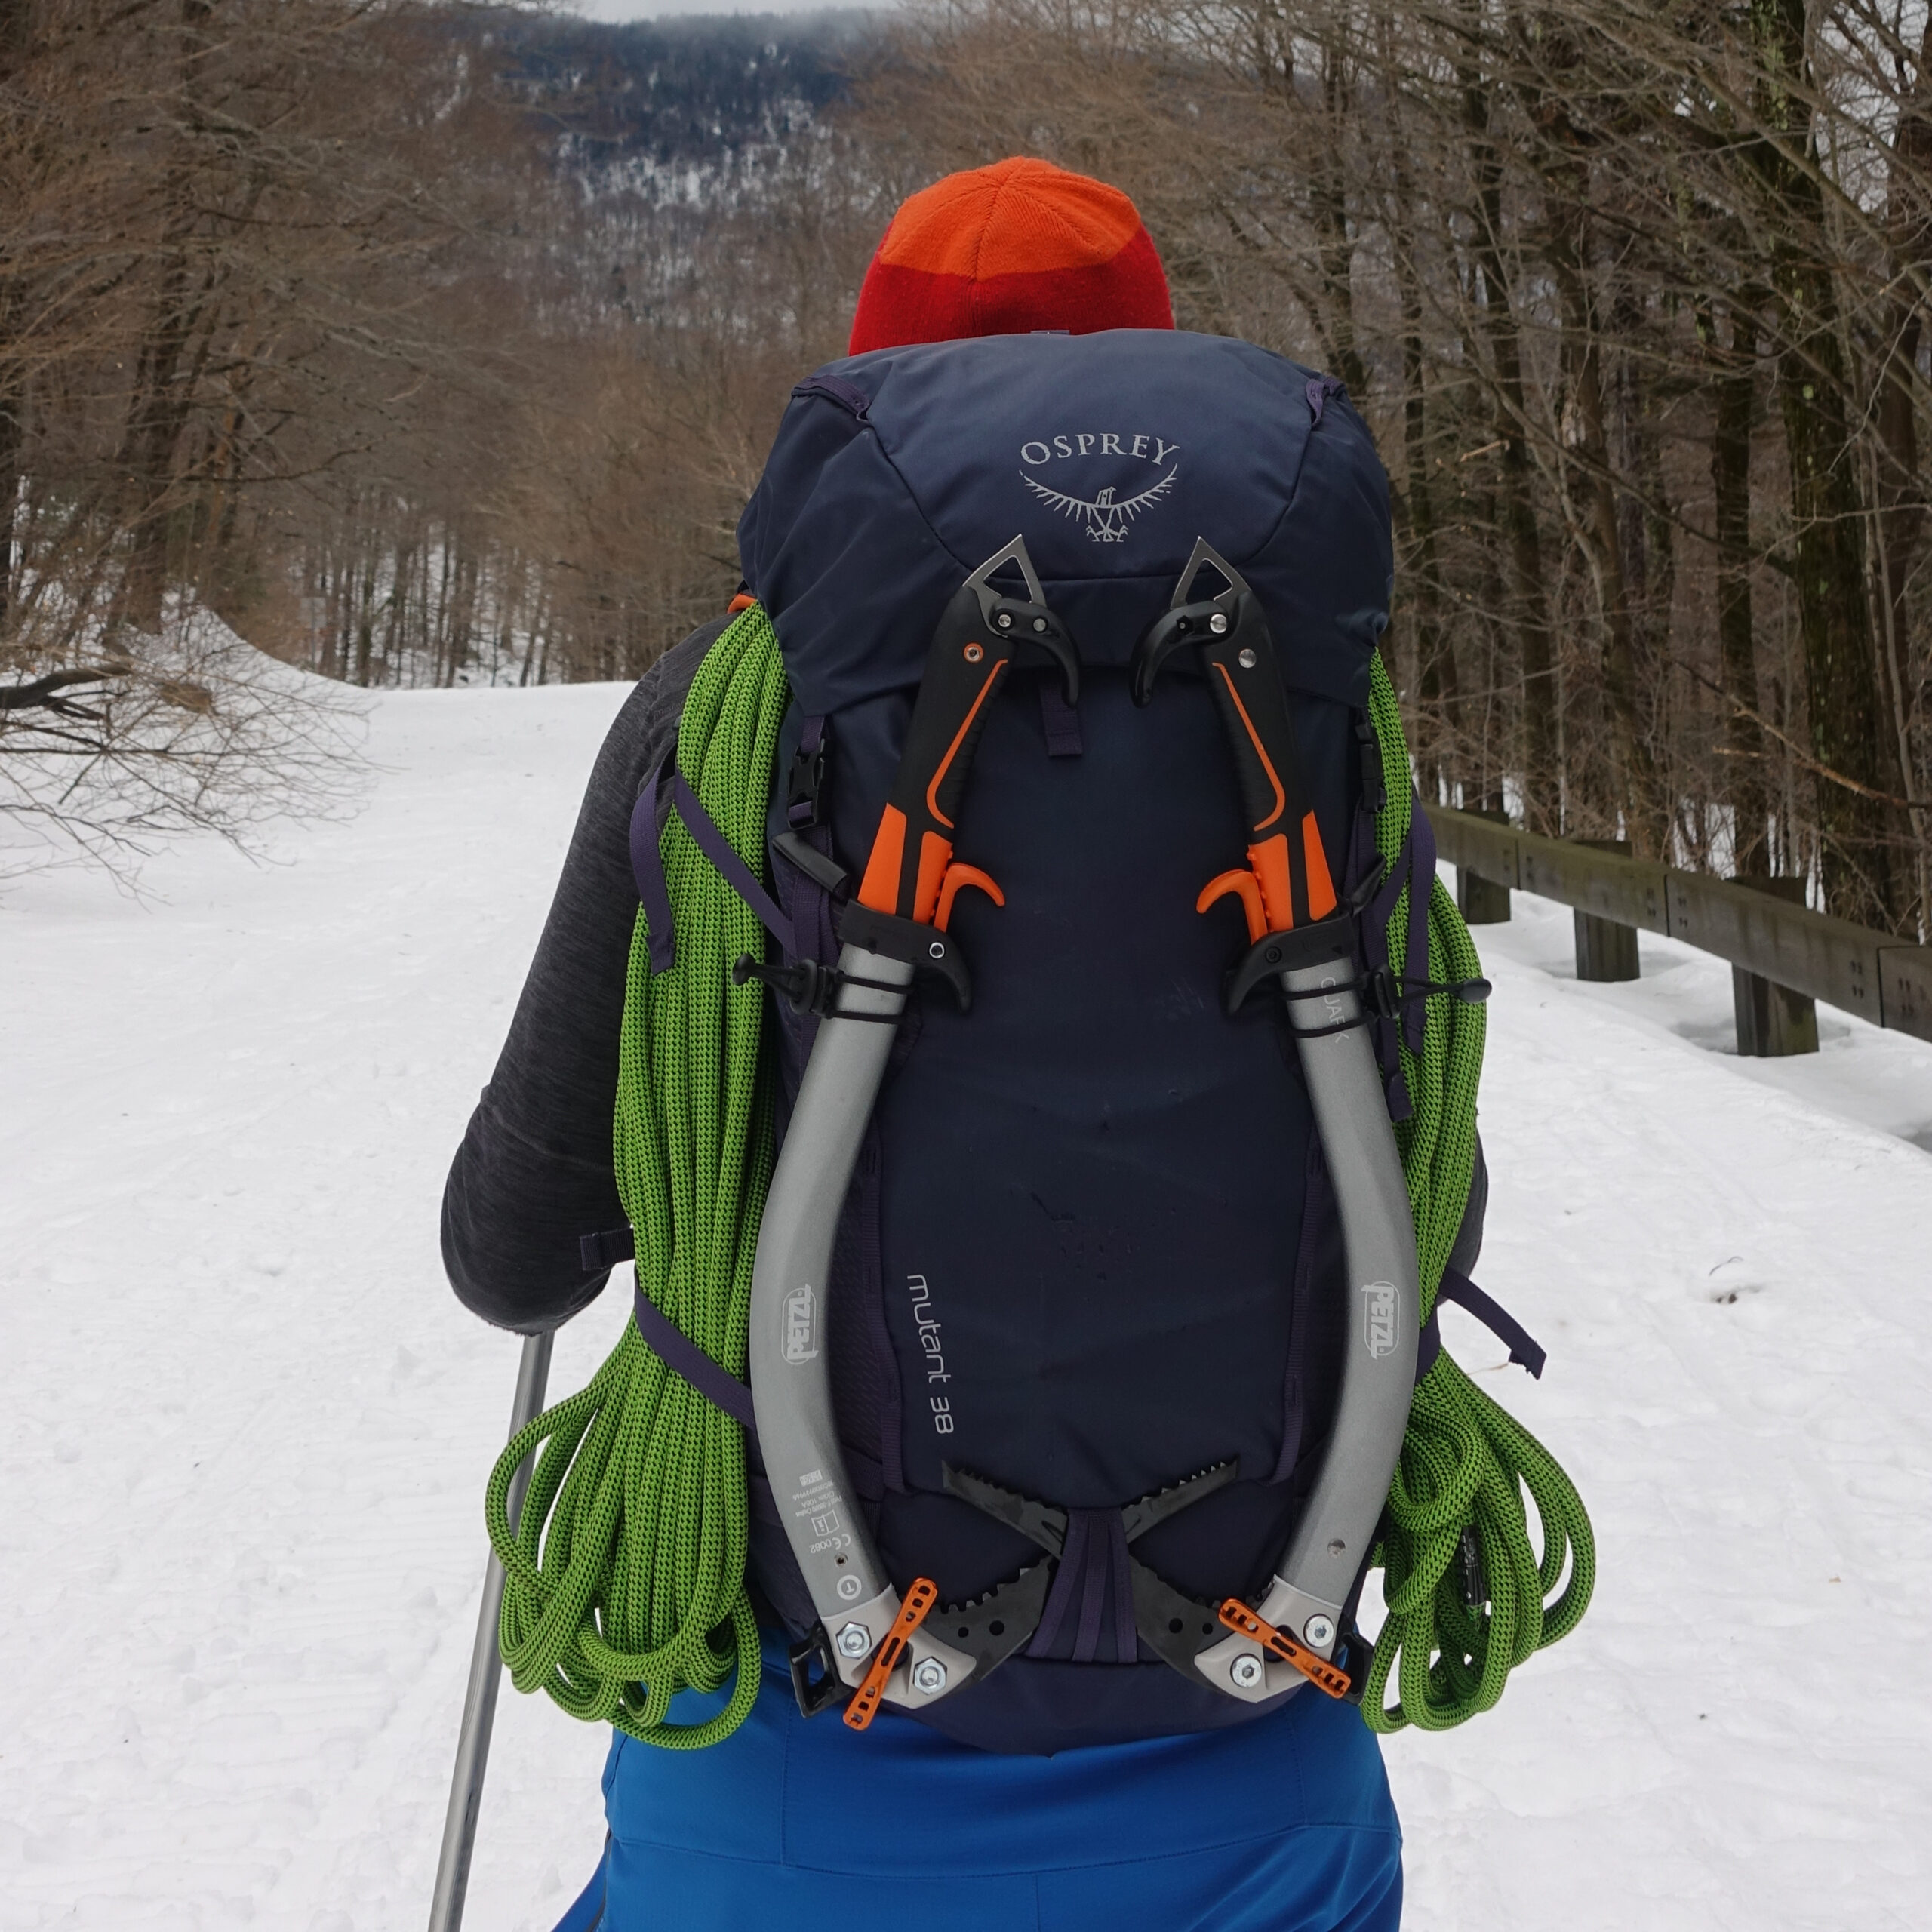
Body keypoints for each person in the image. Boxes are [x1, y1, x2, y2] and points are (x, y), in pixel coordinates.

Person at [443, 157, 1451, 1932]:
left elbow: (508, 1250)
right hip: (1251, 1751)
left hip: (783, 1768)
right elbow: (1415, 1178)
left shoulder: (720, 711)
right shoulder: (1318, 722)